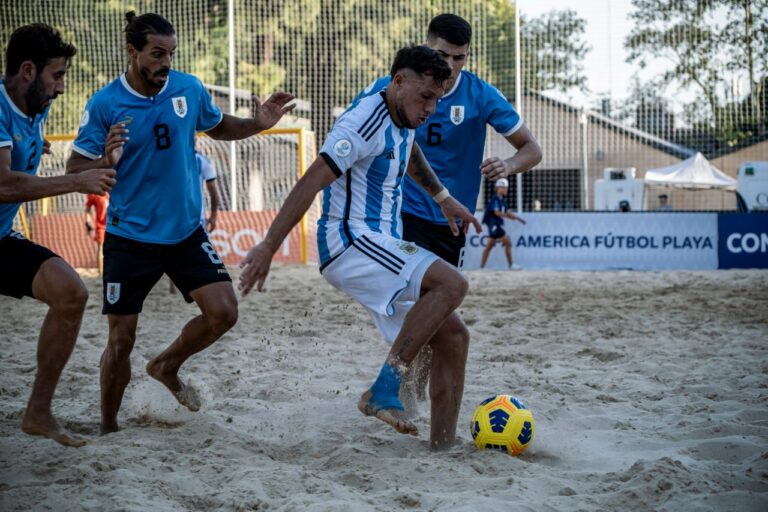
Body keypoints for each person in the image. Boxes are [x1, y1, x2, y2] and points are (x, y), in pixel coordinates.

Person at [239, 45, 481, 451]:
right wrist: (267, 245)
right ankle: (384, 388)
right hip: (350, 241)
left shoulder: (404, 114)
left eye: (438, 100)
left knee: (454, 335)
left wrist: (442, 197)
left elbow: (409, 152)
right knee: (453, 285)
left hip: (382, 241)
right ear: (398, 82)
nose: (431, 109)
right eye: (426, 97)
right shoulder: (362, 121)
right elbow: (310, 182)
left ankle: (442, 447)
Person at [65, 11, 295, 435]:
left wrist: (258, 125)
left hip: (186, 232)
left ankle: (166, 365)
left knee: (224, 313)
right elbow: (76, 166)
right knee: (120, 341)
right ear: (132, 52)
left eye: (171, 53)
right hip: (129, 236)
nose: (166, 62)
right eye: (157, 53)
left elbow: (220, 126)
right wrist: (105, 161)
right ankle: (109, 428)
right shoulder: (105, 103)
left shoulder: (188, 88)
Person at [351, 13, 542, 405]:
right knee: (433, 318)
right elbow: (353, 129)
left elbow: (532, 150)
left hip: (450, 223)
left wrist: (507, 165)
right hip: (398, 214)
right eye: (443, 55)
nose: (451, 67)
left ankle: (406, 397)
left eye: (460, 58)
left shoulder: (481, 95)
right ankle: (394, 391)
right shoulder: (394, 86)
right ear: (426, 45)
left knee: (433, 321)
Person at [0, 24, 116, 447]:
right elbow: (4, 186)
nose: (62, 86)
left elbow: (23, 160)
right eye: (58, 75)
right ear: (27, 70)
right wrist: (76, 184)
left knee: (72, 294)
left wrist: (102, 160)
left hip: (1, 239)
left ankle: (38, 412)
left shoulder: (35, 106)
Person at [169, 150, 220, 293]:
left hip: (195, 215)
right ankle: (175, 287)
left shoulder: (201, 160)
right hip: (178, 214)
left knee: (195, 251)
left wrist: (214, 214)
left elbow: (213, 191)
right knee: (175, 249)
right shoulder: (173, 156)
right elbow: (213, 191)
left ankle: (182, 286)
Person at [480, 178, 526, 269]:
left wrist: (518, 219)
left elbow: (508, 213)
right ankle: (511, 265)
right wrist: (509, 216)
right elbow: (497, 212)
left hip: (494, 225)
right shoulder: (495, 199)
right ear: (498, 188)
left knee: (489, 246)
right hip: (494, 224)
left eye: (506, 188)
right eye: (503, 187)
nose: (506, 189)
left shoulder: (502, 201)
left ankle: (481, 267)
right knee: (507, 243)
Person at [84, 192, 108, 275]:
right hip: (101, 226)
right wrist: (87, 222)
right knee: (101, 248)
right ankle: (101, 272)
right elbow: (87, 208)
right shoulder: (95, 193)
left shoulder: (113, 191)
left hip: (114, 226)